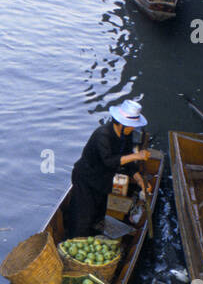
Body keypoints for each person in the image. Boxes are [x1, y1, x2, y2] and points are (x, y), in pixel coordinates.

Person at [64, 100, 151, 237]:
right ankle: (74, 240)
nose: (132, 129)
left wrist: (139, 180)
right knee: (82, 218)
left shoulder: (125, 135)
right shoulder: (102, 135)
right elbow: (109, 161)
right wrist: (136, 156)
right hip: (86, 179)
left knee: (98, 215)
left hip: (103, 180)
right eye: (130, 126)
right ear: (120, 123)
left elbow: (127, 162)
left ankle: (94, 237)